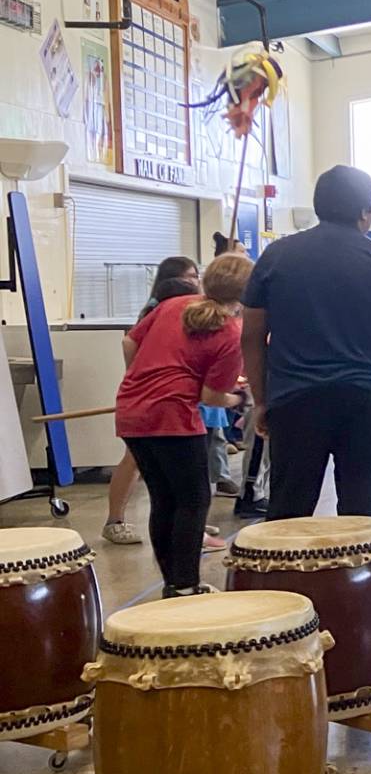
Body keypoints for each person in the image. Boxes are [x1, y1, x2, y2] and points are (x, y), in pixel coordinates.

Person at [241, 165, 371, 519]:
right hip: (368, 397)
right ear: (365, 212)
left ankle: (286, 557)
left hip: (295, 397)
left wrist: (261, 400)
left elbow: (251, 337)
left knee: (288, 512)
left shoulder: (276, 257)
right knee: (362, 513)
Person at [114, 253, 252, 598]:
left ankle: (173, 584)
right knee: (193, 500)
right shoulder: (230, 332)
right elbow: (211, 396)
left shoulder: (173, 304)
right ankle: (187, 585)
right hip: (172, 417)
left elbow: (129, 341)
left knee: (164, 499)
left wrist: (142, 376)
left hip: (131, 409)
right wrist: (239, 399)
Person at [102, 256, 199, 546]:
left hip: (173, 400)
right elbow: (130, 343)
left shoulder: (184, 309)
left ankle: (187, 521)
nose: (196, 282)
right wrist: (139, 378)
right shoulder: (157, 310)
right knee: (133, 460)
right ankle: (114, 520)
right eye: (190, 276)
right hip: (150, 402)